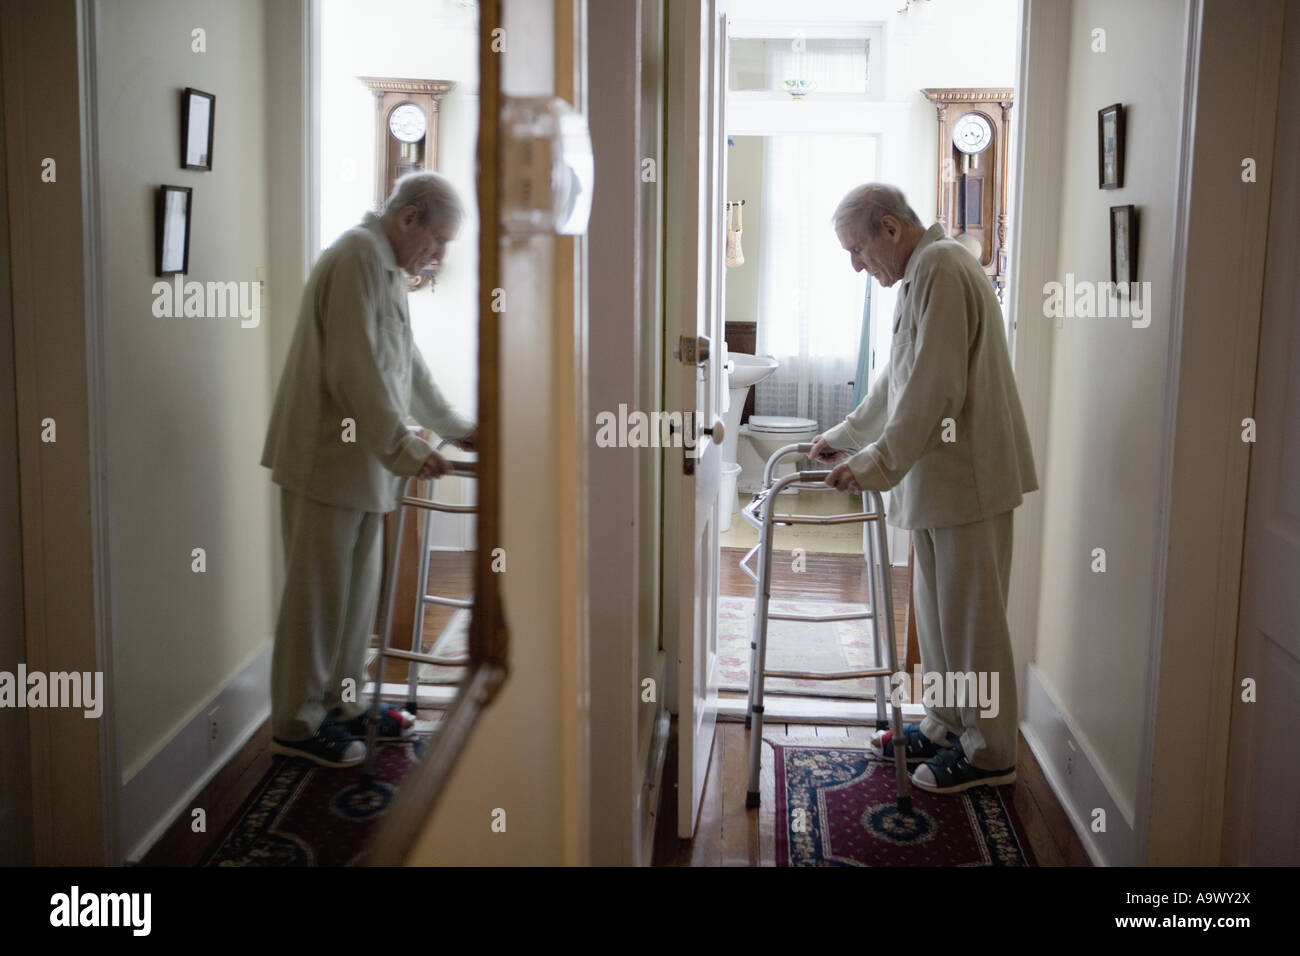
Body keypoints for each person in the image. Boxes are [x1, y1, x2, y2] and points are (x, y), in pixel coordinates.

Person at [810, 183, 1037, 794]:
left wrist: (874, 464)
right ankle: (945, 726)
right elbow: (896, 381)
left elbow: (936, 389)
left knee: (973, 622)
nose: (857, 265)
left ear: (889, 228)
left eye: (858, 250)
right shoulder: (918, 276)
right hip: (941, 479)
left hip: (971, 479)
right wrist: (845, 435)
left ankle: (991, 753)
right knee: (937, 620)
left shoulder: (942, 266)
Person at [261, 171, 476, 768]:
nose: (439, 254)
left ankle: (346, 704)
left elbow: (404, 363)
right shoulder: (355, 257)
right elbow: (353, 369)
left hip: (362, 464)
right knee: (317, 599)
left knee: (356, 599)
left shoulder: (385, 269)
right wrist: (406, 449)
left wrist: (455, 425)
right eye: (439, 240)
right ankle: (296, 725)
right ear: (408, 218)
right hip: (324, 459)